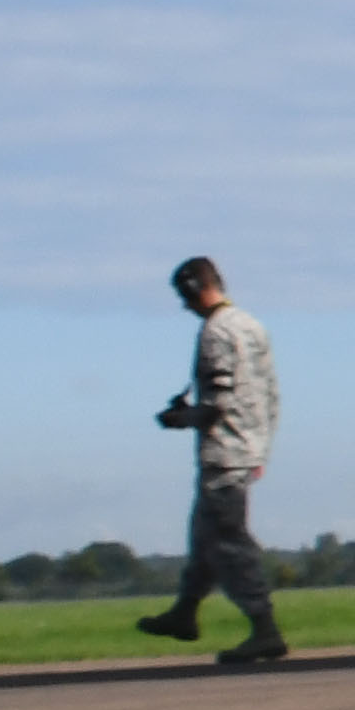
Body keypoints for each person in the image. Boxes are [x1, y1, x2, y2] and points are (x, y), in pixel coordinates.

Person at [141, 255, 291, 666]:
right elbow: (269, 394)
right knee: (205, 536)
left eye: (182, 296)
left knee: (229, 543)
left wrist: (180, 419)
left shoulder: (215, 333)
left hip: (224, 454)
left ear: (194, 288)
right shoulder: (251, 325)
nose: (183, 305)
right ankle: (185, 613)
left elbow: (218, 404)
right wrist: (261, 449)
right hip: (247, 449)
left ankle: (265, 629)